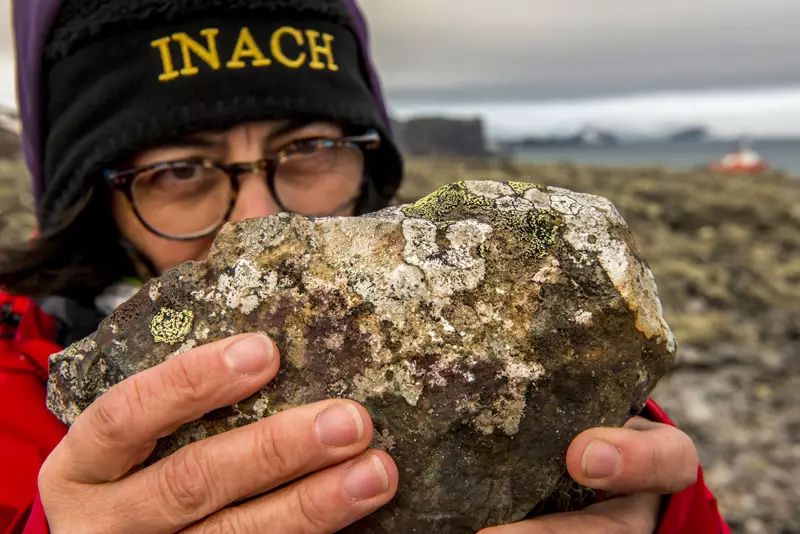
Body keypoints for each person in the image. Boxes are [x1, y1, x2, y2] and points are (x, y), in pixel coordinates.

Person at [0, 1, 729, 533]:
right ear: (94, 208)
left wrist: (667, 514)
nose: (259, 221)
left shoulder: (543, 378)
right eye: (181, 170)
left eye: (310, 150)